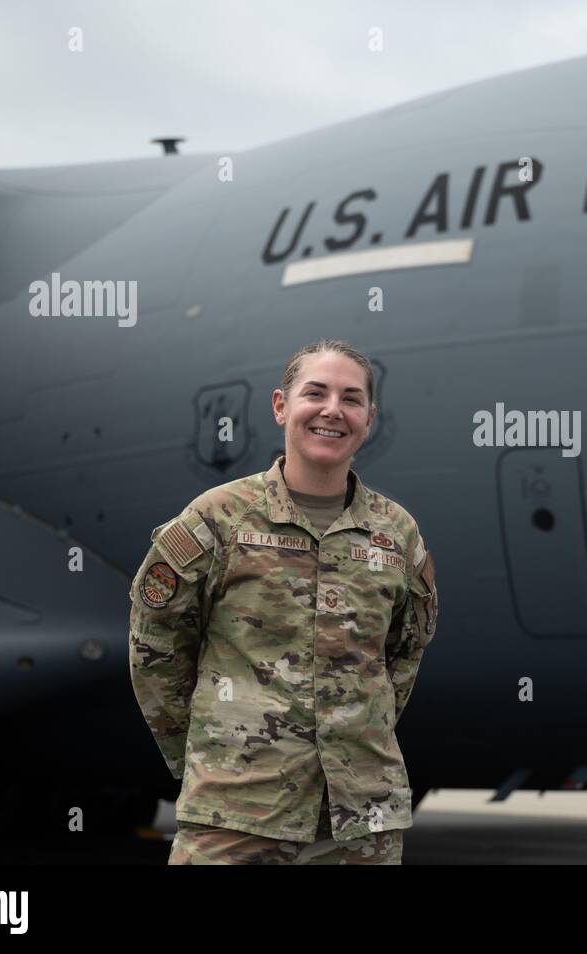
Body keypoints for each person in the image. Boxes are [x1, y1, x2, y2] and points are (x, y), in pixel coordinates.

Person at [128, 339, 437, 865]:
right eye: (314, 393)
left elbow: (404, 654)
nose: (332, 410)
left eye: (351, 398)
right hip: (235, 814)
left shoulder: (396, 534)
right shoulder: (220, 518)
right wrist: (210, 756)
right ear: (280, 406)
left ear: (369, 417)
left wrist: (359, 736)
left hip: (360, 821)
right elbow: (155, 643)